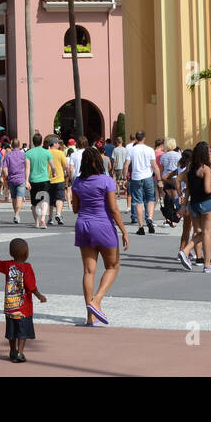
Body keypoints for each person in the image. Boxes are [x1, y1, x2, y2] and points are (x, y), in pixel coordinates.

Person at [70, 145, 129, 325]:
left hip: (83, 225)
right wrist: (124, 231)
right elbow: (113, 209)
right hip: (103, 225)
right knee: (113, 266)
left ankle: (90, 317)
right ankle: (97, 301)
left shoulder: (77, 182)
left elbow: (75, 209)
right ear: (99, 162)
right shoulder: (106, 181)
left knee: (89, 271)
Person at [0, 237, 45, 363]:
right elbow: (31, 286)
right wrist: (39, 295)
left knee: (11, 331)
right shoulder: (27, 268)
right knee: (22, 331)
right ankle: (20, 352)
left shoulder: (8, 266)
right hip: (23, 309)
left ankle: (12, 350)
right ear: (26, 253)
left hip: (10, 308)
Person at [177, 141, 211, 272]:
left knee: (201, 232)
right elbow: (208, 190)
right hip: (205, 202)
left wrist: (183, 203)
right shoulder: (206, 169)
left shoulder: (190, 168)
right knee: (207, 233)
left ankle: (185, 251)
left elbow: (187, 187)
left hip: (194, 203)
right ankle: (207, 265)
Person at [126, 130, 162, 235]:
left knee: (138, 201)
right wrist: (159, 180)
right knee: (150, 198)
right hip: (148, 177)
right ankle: (150, 218)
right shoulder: (150, 149)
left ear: (136, 138)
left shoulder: (131, 150)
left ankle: (141, 226)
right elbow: (154, 166)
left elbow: (126, 164)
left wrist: (124, 178)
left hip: (136, 178)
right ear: (144, 138)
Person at [24, 133, 55, 229]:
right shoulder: (47, 153)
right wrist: (54, 173)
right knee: (45, 200)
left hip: (33, 180)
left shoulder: (28, 153)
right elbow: (53, 166)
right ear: (41, 141)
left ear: (33, 142)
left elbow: (27, 168)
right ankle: (43, 218)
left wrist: (26, 181)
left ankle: (36, 222)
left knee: (34, 203)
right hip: (44, 180)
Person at [2, 140, 28, 224]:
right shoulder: (23, 155)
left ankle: (16, 214)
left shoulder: (8, 155)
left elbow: (5, 168)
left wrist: (6, 175)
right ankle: (17, 214)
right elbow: (27, 166)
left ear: (12, 145)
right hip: (21, 178)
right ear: (19, 145)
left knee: (13, 198)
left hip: (11, 179)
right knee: (19, 197)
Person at [47, 135, 70, 226]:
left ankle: (50, 218)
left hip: (48, 179)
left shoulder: (46, 152)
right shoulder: (61, 153)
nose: (59, 144)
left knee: (50, 199)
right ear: (54, 143)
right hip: (59, 178)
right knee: (59, 197)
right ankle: (58, 214)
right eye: (58, 143)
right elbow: (65, 166)